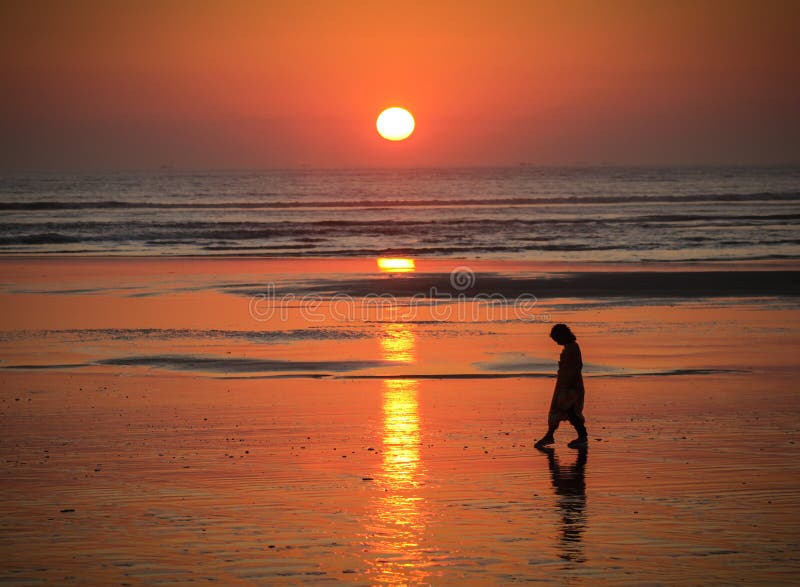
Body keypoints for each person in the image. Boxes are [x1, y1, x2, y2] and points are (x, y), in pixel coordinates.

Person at [535, 324, 588, 449]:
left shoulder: (573, 348)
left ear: (563, 336)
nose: (557, 342)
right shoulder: (569, 347)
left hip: (571, 386)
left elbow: (576, 367)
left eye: (557, 338)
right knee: (561, 410)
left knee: (569, 410)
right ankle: (550, 435)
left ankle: (581, 436)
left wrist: (568, 383)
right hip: (565, 385)